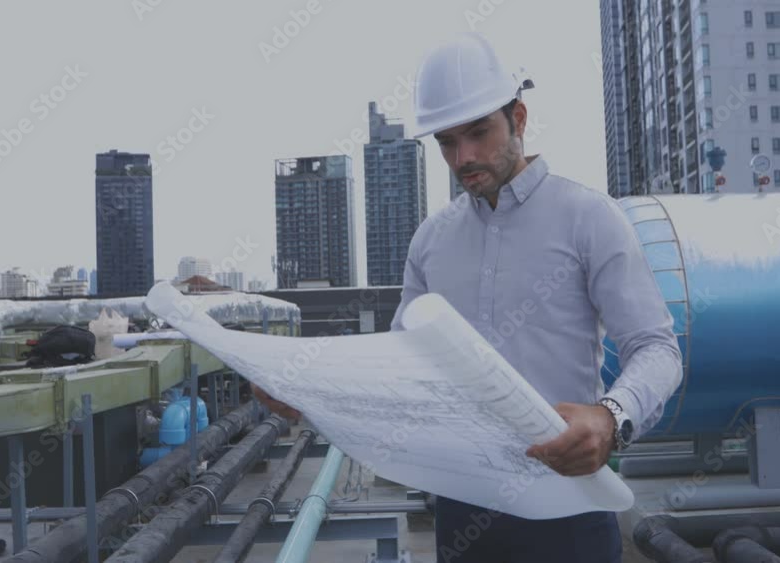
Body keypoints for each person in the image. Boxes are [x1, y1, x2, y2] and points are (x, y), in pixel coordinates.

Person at [256, 32, 683, 563]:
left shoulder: (590, 219)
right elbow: (401, 377)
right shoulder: (431, 242)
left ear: (519, 119)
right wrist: (311, 398)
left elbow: (658, 348)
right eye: (447, 142)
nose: (464, 157)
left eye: (479, 133)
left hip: (568, 508)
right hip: (462, 514)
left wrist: (611, 415)